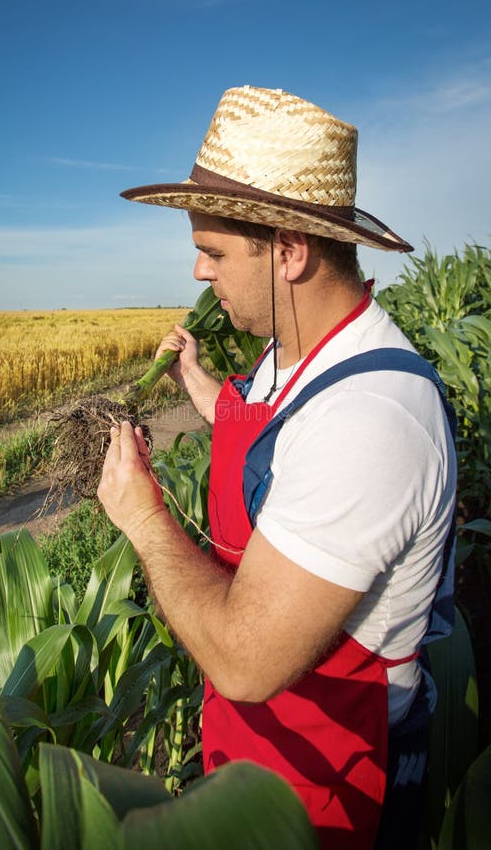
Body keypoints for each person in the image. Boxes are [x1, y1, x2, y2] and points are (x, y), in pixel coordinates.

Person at [97, 86, 457, 849]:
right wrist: (202, 387)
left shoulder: (374, 417)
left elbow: (246, 658)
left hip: (332, 785)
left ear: (290, 250)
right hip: (257, 755)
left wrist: (144, 519)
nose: (198, 271)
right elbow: (275, 435)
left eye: (216, 250)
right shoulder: (288, 356)